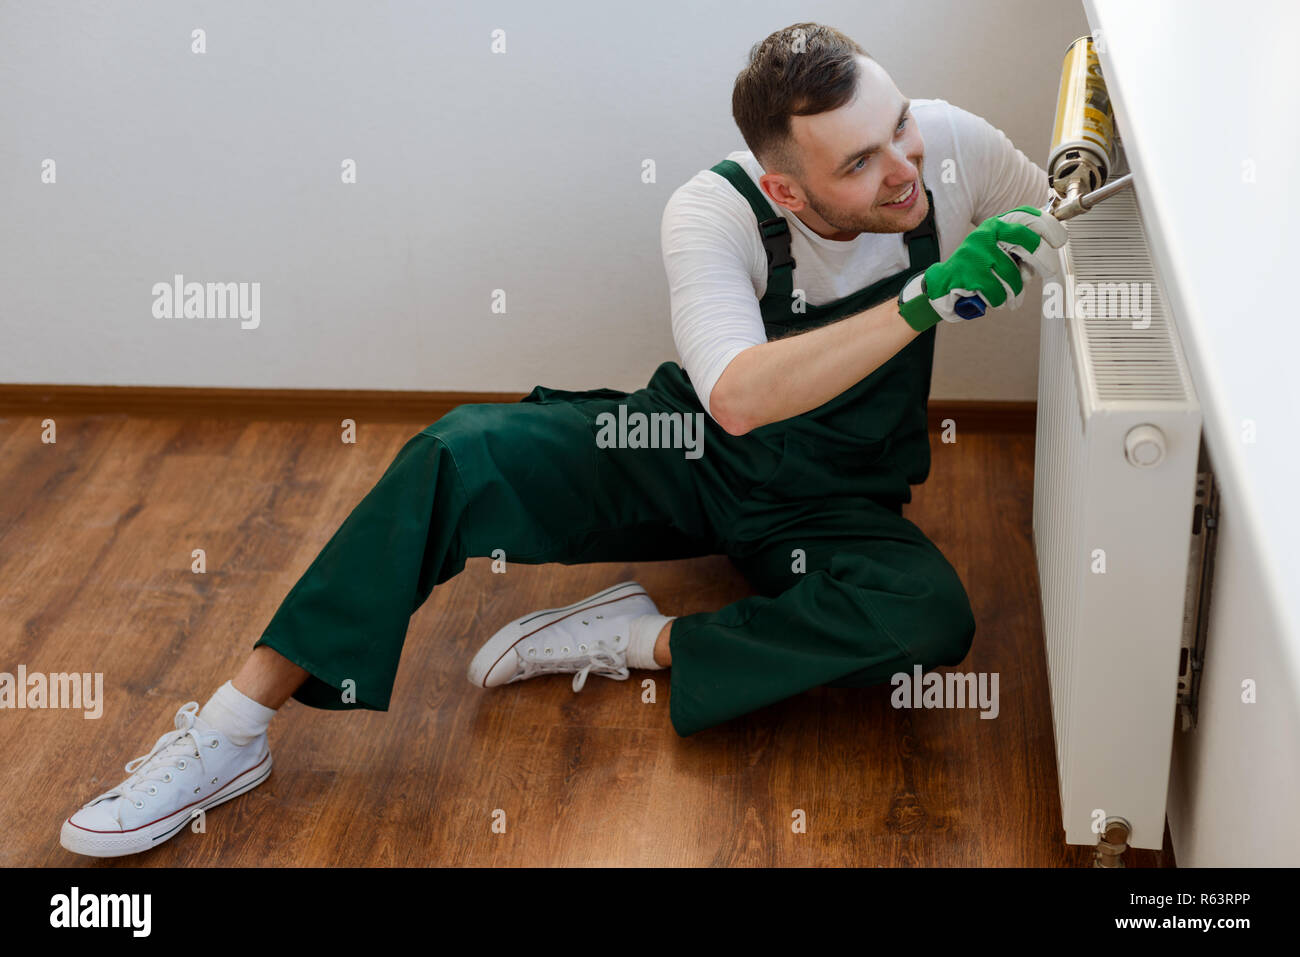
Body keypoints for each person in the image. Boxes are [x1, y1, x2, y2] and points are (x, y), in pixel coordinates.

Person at [59, 22, 1066, 858]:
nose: (903, 170)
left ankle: (631, 638)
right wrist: (925, 301)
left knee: (929, 619)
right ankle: (232, 730)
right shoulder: (711, 213)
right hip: (693, 450)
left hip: (835, 500)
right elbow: (737, 398)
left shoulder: (952, 148)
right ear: (785, 191)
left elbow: (1068, 232)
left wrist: (1062, 229)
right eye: (859, 161)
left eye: (897, 128)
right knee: (460, 450)